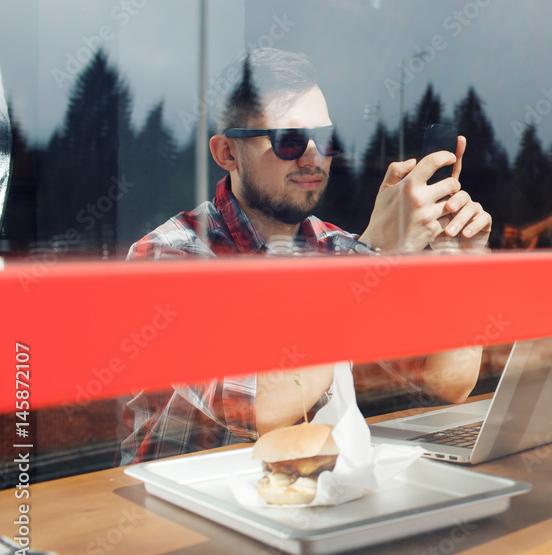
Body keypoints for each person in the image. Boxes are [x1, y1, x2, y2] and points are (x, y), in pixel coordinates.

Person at [117, 48, 489, 465]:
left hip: (306, 503)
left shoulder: (335, 249)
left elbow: (444, 382)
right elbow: (263, 406)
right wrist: (376, 254)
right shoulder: (169, 254)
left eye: (324, 138)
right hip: (181, 518)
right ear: (227, 154)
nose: (313, 156)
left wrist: (461, 259)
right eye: (289, 140)